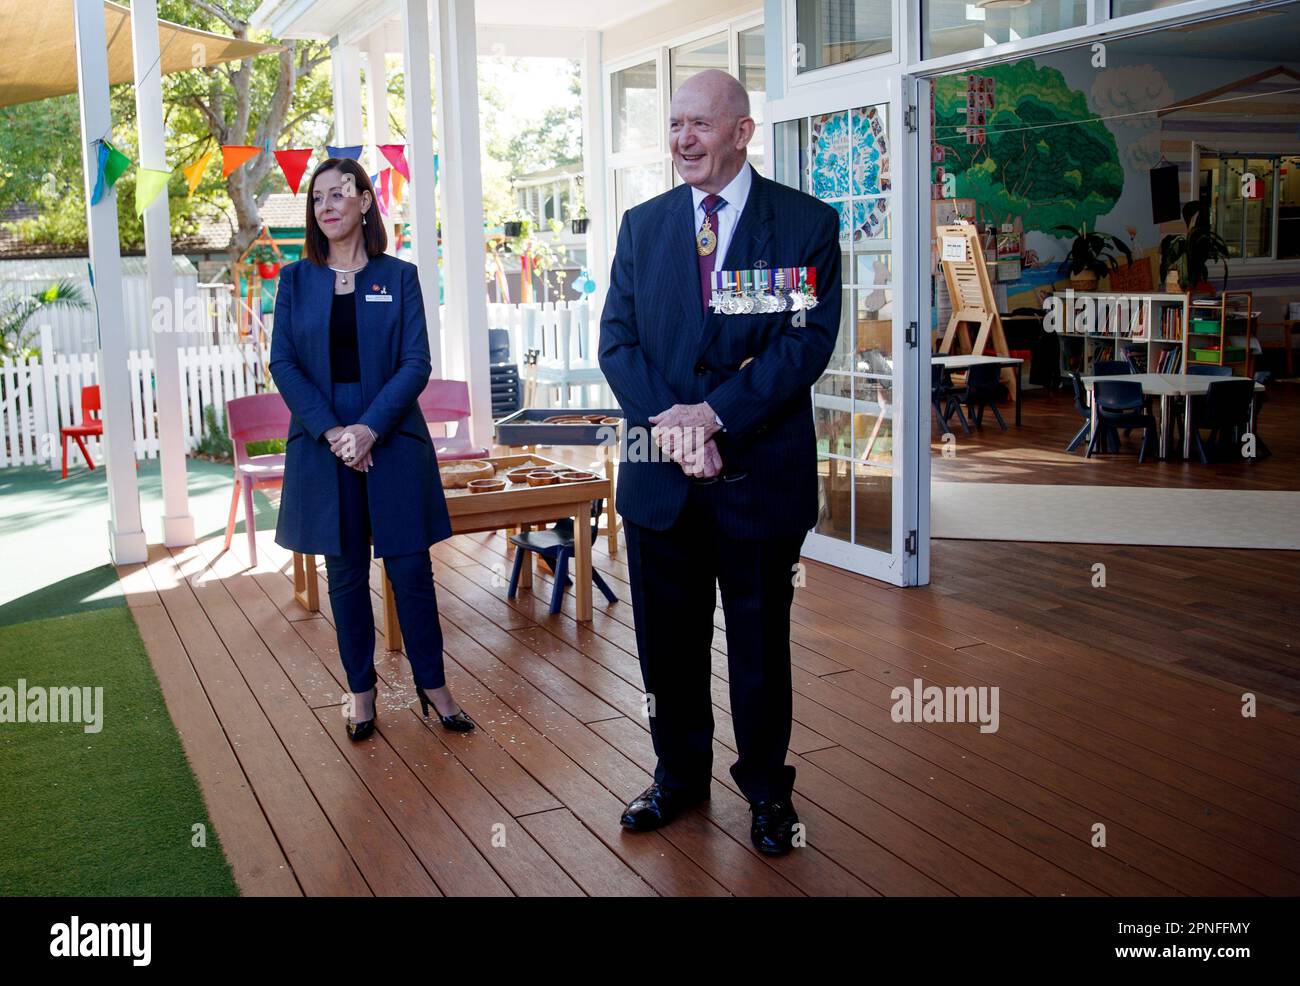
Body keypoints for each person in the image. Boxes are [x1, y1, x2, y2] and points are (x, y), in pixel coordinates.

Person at [598, 70, 840, 855]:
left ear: (742, 131)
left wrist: (715, 415)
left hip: (758, 478)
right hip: (659, 477)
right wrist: (674, 424)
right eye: (674, 126)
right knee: (667, 644)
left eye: (700, 124)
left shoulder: (805, 225)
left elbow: (805, 343)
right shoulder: (641, 227)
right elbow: (617, 343)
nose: (683, 140)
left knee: (760, 644)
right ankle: (678, 778)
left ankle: (768, 792)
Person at [269, 158, 474, 741]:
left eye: (339, 194)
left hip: (391, 441)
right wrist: (336, 432)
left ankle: (435, 687)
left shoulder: (400, 277)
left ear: (364, 201)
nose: (327, 205)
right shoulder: (294, 281)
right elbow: (282, 362)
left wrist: (368, 430)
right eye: (318, 199)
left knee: (410, 568)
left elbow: (416, 364)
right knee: (345, 575)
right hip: (322, 442)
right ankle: (361, 694)